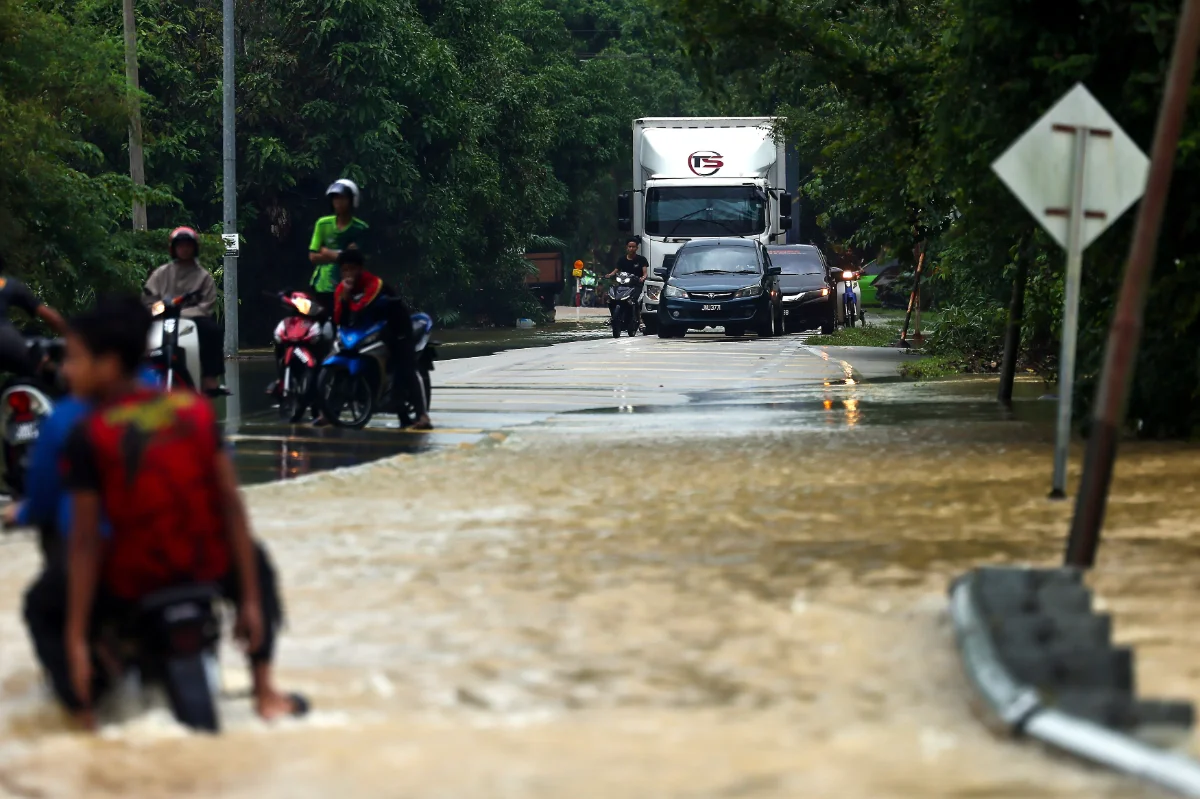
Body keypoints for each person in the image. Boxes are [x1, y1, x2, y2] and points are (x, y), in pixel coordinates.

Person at [52, 294, 304, 727]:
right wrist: (250, 601)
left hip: (135, 579)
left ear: (109, 366)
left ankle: (85, 714)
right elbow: (232, 508)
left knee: (45, 600)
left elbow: (85, 541)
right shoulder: (195, 412)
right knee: (257, 560)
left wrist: (75, 639)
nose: (65, 370)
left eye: (75, 359)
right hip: (206, 569)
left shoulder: (86, 433)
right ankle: (264, 691)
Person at [330, 249, 431, 430]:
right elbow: (339, 318)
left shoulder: (373, 284)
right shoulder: (341, 289)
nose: (348, 274)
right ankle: (329, 412)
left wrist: (347, 300)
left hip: (397, 328)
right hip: (369, 329)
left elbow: (361, 307)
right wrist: (344, 300)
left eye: (352, 269)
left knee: (405, 367)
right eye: (344, 270)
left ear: (360, 269)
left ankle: (422, 415)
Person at [143, 227, 227, 395]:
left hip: (193, 319)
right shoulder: (161, 273)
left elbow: (206, 305)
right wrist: (158, 309)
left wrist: (181, 313)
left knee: (213, 330)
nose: (184, 249)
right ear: (173, 248)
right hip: (162, 318)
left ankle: (209, 378)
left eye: (188, 245)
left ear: (194, 248)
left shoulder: (204, 276)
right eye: (180, 245)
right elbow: (147, 299)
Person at [0, 253, 69, 377]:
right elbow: (50, 317)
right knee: (45, 370)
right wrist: (75, 337)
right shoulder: (7, 285)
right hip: (7, 344)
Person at [309, 179, 369, 314]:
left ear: (352, 200)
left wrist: (325, 251)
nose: (338, 202)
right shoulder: (322, 224)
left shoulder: (360, 228)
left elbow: (357, 259)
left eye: (343, 198)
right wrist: (342, 255)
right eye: (335, 198)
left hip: (348, 286)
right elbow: (313, 256)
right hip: (321, 286)